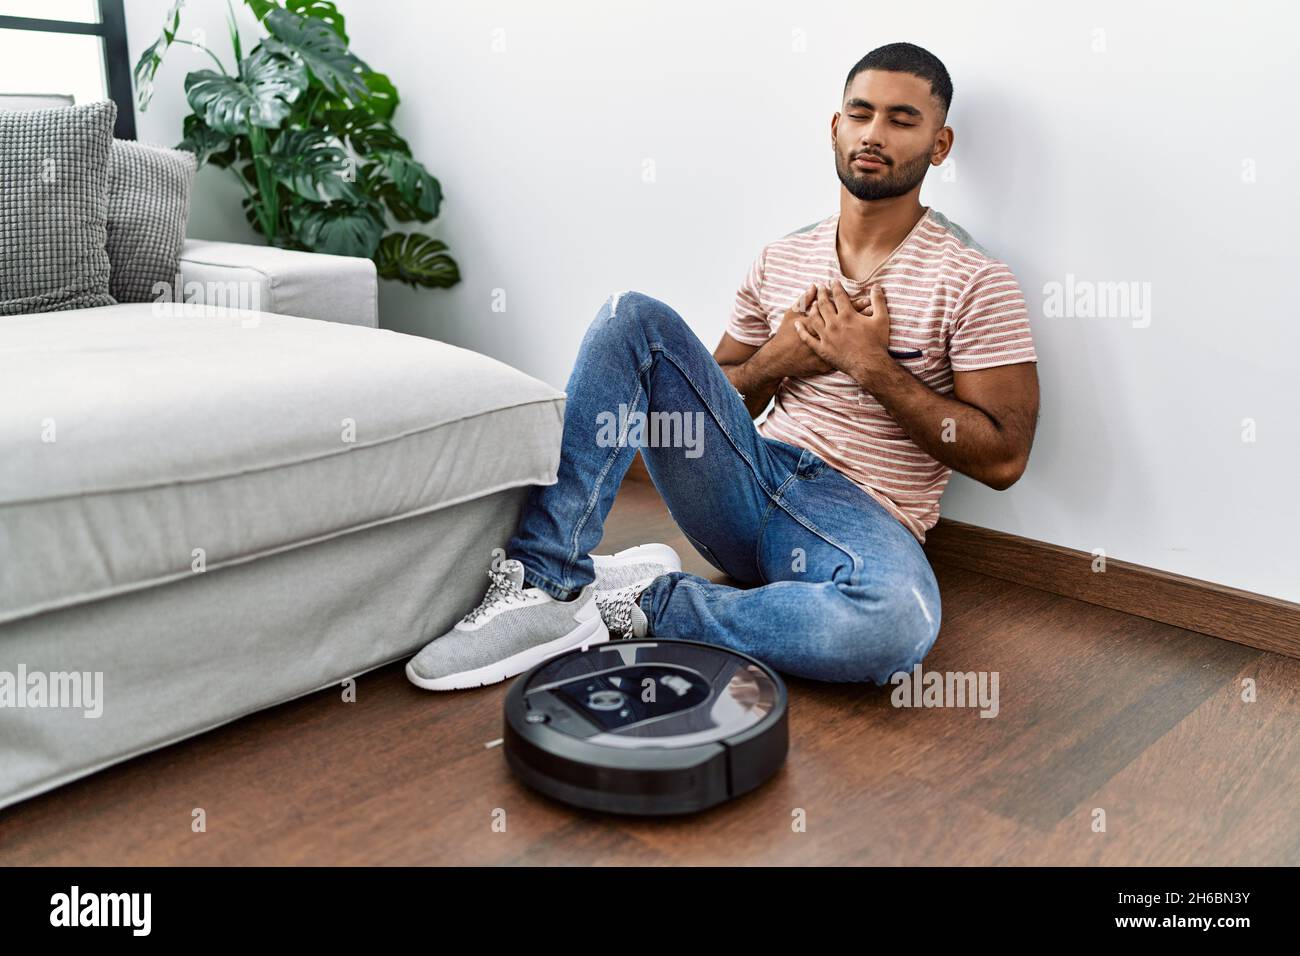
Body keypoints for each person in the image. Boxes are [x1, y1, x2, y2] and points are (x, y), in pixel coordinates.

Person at [406, 41, 1040, 692]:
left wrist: (869, 365)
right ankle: (547, 582)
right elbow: (705, 399)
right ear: (836, 126)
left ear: (939, 144)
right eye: (861, 112)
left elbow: (1002, 459)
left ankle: (644, 603)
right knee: (632, 317)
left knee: (893, 627)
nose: (874, 133)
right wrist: (776, 360)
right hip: (746, 483)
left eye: (902, 119)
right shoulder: (781, 257)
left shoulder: (974, 279)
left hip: (860, 518)